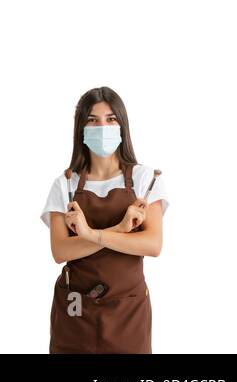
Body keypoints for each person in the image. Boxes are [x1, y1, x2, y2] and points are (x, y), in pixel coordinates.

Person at [43, 86, 166, 354]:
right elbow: (60, 250)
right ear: (81, 129)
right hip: (76, 309)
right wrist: (121, 230)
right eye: (92, 120)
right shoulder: (64, 184)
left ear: (122, 126)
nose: (103, 126)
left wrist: (90, 234)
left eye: (111, 119)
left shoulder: (145, 180)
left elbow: (152, 244)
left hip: (128, 311)